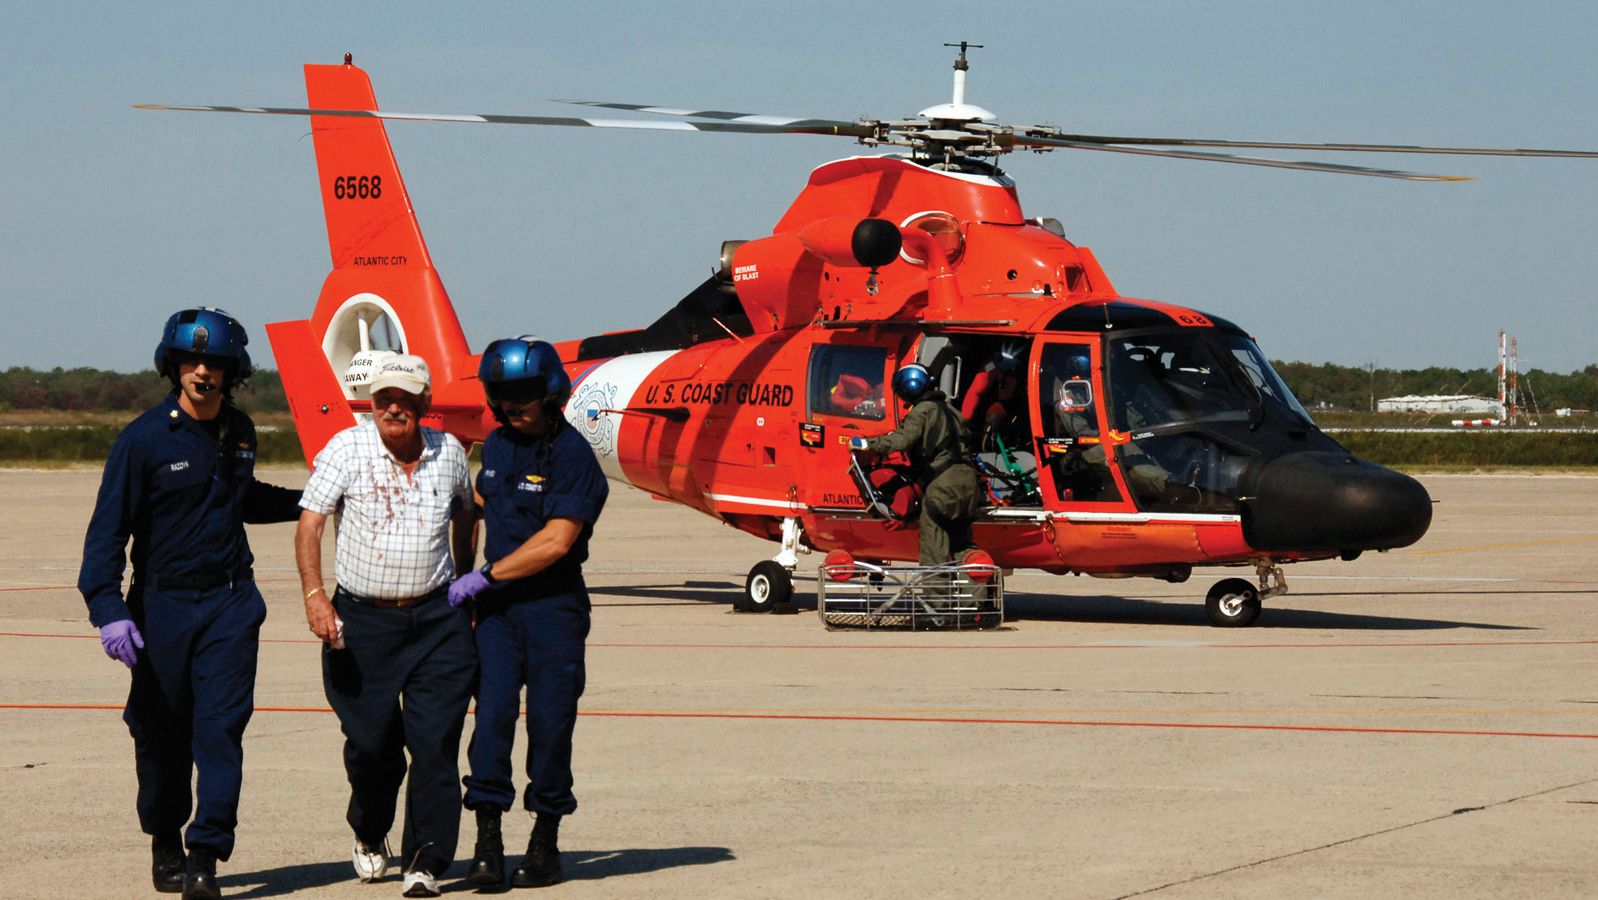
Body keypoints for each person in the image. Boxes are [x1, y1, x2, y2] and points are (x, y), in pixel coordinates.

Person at [79, 307, 303, 900]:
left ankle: (206, 852)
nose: (203, 371)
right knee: (158, 736)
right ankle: (164, 837)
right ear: (173, 365)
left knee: (220, 731)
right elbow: (106, 537)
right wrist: (109, 609)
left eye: (217, 363)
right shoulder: (143, 440)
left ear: (234, 372)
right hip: (161, 609)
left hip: (231, 603)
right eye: (192, 360)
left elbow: (242, 497)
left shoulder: (242, 430)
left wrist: (314, 501)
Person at [295, 354, 477, 899]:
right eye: (382, 399)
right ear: (371, 404)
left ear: (424, 404)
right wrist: (314, 596)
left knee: (436, 744)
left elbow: (466, 510)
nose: (392, 407)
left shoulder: (449, 454)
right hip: (362, 622)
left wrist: (465, 580)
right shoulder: (347, 449)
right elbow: (310, 525)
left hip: (437, 620)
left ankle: (427, 859)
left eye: (404, 399)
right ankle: (370, 830)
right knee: (372, 743)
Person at [448, 337, 609, 889]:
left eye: (523, 397)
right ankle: (487, 843)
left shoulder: (573, 456)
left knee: (549, 723)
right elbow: (477, 507)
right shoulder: (494, 446)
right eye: (502, 397)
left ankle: (545, 844)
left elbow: (557, 541)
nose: (512, 408)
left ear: (550, 394)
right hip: (496, 614)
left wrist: (484, 576)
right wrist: (461, 572)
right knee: (490, 719)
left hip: (551, 608)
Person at [851, 363, 982, 565]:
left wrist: (867, 443)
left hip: (943, 487)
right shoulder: (953, 412)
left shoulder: (922, 411)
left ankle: (936, 597)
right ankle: (975, 592)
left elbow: (902, 441)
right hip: (968, 485)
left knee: (933, 549)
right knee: (964, 548)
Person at [960, 342, 1025, 453]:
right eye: (1001, 361)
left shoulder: (1027, 372)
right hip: (1003, 398)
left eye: (1009, 365)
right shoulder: (992, 366)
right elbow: (975, 391)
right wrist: (965, 421)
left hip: (1023, 398)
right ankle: (988, 447)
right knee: (994, 416)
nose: (1005, 367)